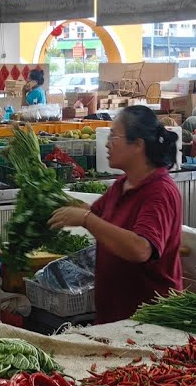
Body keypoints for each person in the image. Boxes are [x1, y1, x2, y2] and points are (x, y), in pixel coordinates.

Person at [48, 106, 182, 323]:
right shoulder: (122, 185)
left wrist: (85, 220)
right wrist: (49, 197)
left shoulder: (160, 191)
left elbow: (141, 249)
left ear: (138, 144)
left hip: (149, 322)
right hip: (116, 318)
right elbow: (92, 213)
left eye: (113, 136)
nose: (107, 143)